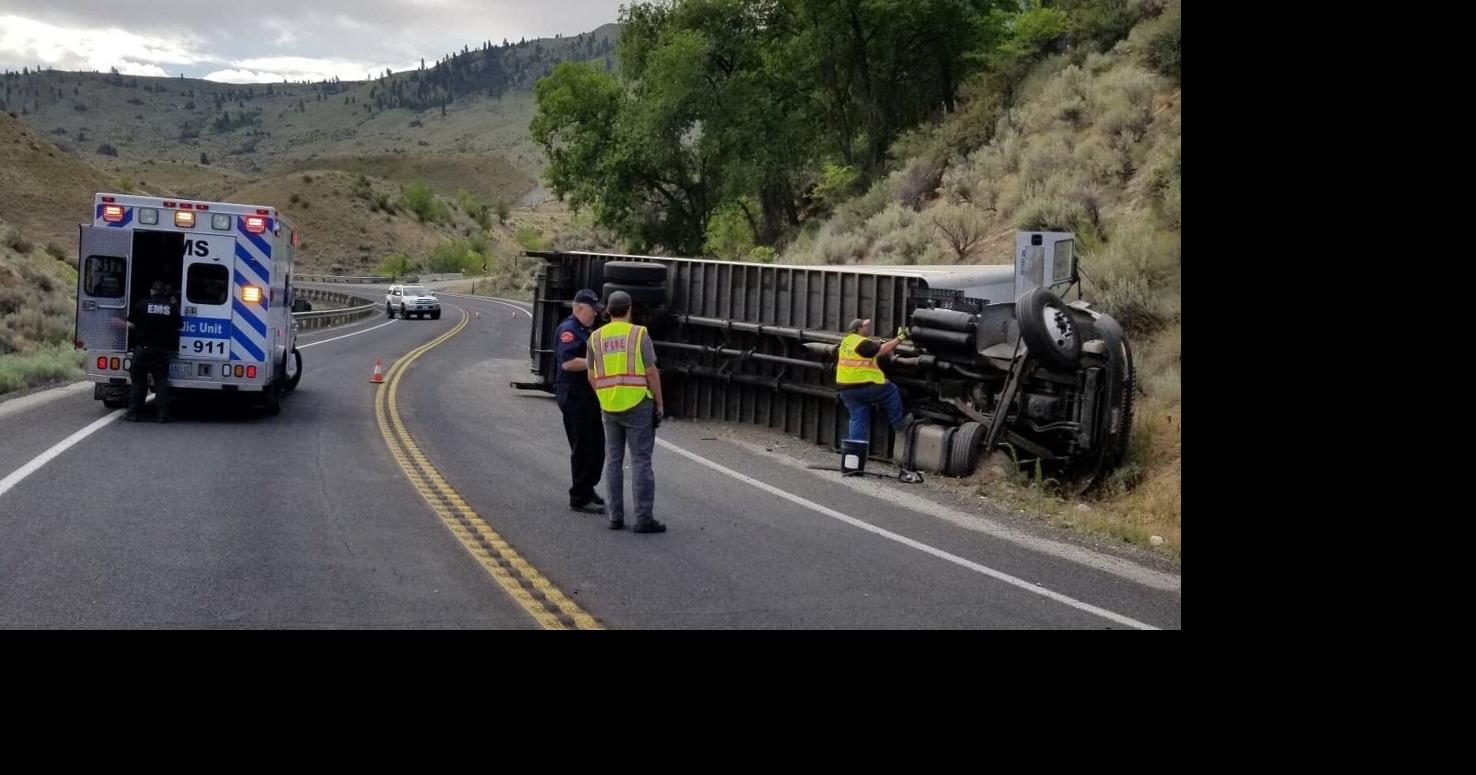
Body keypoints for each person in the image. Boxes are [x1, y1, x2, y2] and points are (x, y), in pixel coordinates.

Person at [587, 290, 665, 533]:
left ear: (608, 311)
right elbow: (651, 371)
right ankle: (643, 518)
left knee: (614, 461)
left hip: (609, 406)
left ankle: (615, 517)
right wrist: (659, 403)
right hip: (638, 403)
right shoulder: (639, 334)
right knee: (641, 461)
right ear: (629, 309)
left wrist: (603, 395)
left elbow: (591, 373)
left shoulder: (595, 337)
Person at [554, 289, 606, 514]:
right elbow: (568, 363)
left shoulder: (585, 329)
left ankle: (588, 487)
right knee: (583, 445)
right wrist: (597, 362)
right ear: (580, 308)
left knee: (597, 445)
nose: (596, 314)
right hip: (574, 393)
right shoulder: (569, 330)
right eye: (593, 310)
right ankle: (579, 496)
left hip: (587, 393)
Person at [836, 317, 913, 451]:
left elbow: (872, 346)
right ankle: (899, 423)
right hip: (863, 386)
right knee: (891, 390)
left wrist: (881, 342)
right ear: (859, 329)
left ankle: (854, 453)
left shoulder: (847, 341)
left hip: (846, 389)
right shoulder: (862, 343)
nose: (868, 328)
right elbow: (882, 350)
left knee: (858, 418)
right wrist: (900, 338)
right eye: (865, 326)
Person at [125, 281, 183, 423]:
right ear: (165, 293)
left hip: (143, 349)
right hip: (162, 350)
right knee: (161, 383)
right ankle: (162, 415)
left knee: (139, 383)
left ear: (151, 291)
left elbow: (130, 323)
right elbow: (179, 326)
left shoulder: (142, 304)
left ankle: (133, 414)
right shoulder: (171, 308)